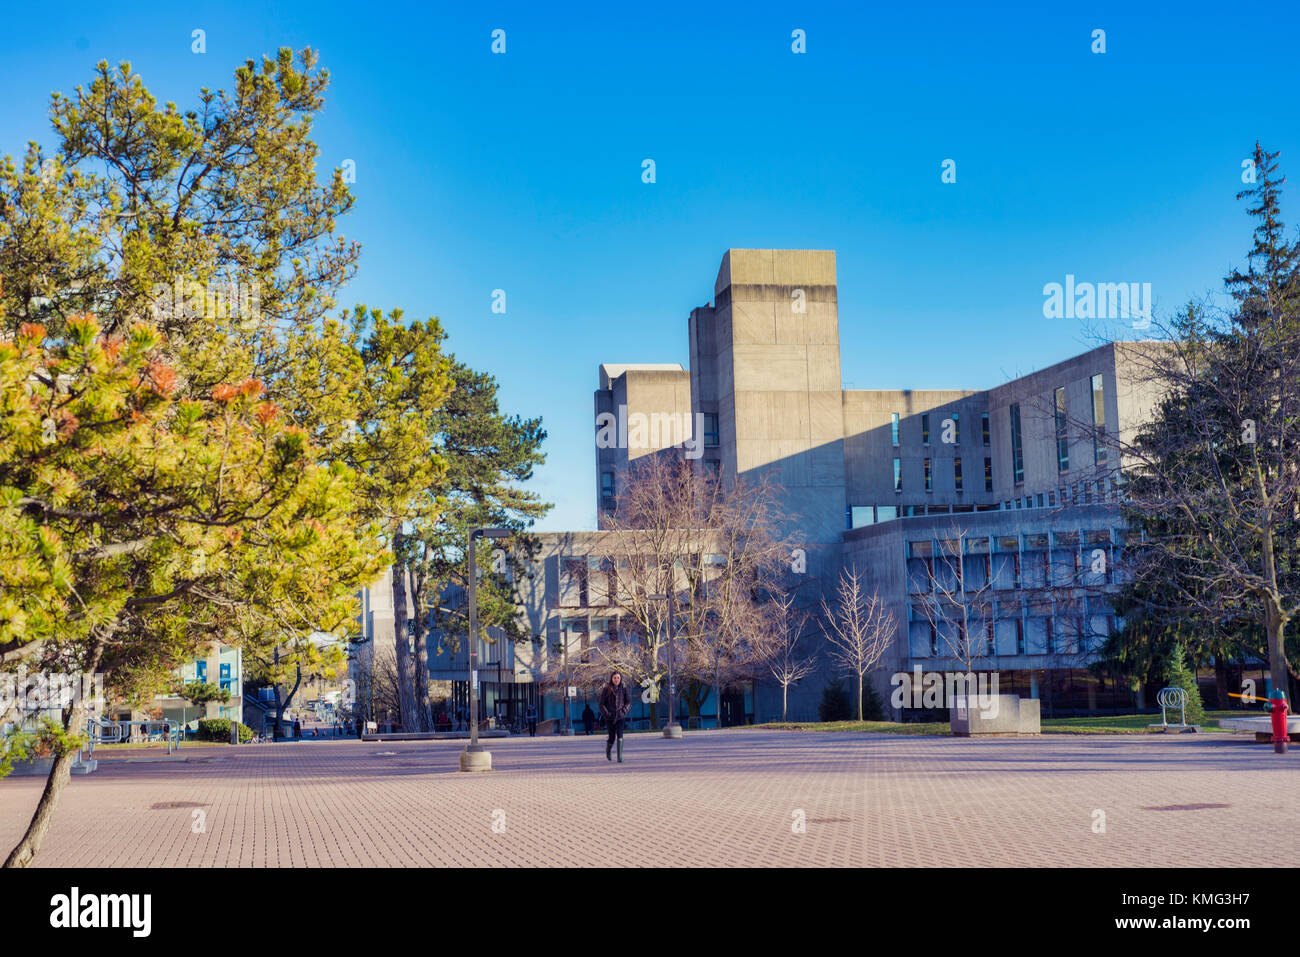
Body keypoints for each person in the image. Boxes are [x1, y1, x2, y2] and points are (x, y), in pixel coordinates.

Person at [598, 671, 631, 762]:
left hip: (620, 716)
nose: (616, 679)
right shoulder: (606, 689)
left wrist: (624, 711)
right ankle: (608, 750)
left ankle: (619, 757)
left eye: (618, 678)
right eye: (614, 678)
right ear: (612, 679)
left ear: (620, 679)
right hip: (610, 717)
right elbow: (601, 704)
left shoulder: (624, 689)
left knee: (620, 735)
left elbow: (628, 702)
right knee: (612, 737)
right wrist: (607, 714)